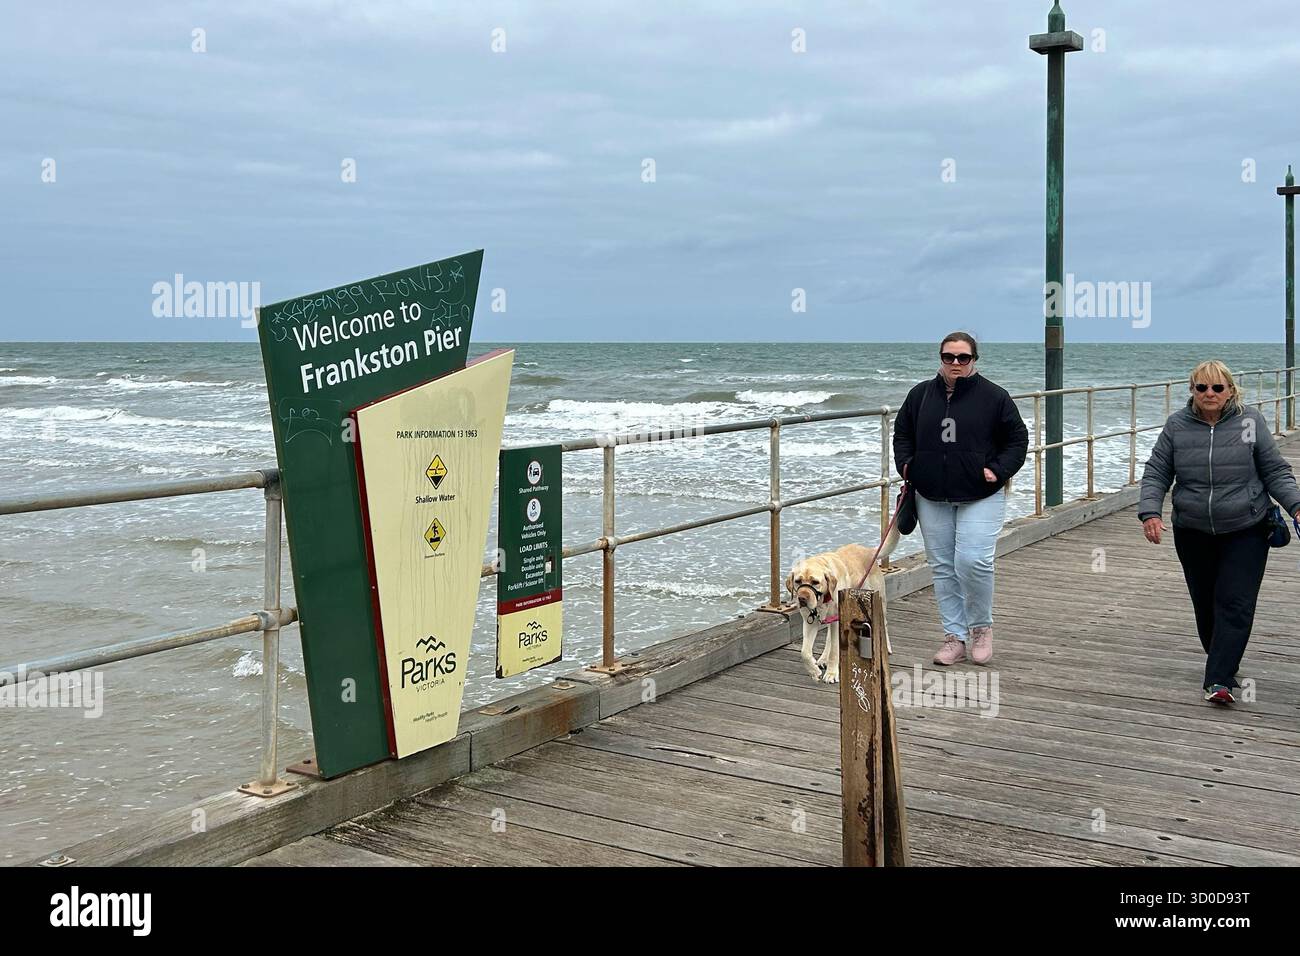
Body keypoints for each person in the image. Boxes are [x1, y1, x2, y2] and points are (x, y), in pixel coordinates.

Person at [1138, 359, 1300, 704]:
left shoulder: (1250, 422)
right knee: (1206, 604)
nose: (1209, 394)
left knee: (1235, 602)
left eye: (1217, 387)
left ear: (1230, 390)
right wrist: (1150, 512)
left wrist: (1296, 505)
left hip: (1246, 527)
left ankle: (1218, 680)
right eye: (1201, 387)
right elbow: (1156, 472)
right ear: (1192, 391)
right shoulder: (1177, 426)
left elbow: (1275, 471)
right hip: (1193, 529)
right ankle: (1225, 657)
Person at [893, 332, 1028, 666]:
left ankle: (981, 628)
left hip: (981, 494)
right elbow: (902, 434)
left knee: (972, 561)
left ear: (974, 360)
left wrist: (997, 470)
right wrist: (908, 465)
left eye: (963, 357)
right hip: (930, 494)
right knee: (942, 568)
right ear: (940, 357)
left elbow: (1017, 439)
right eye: (948, 356)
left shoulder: (995, 397)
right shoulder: (920, 395)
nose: (955, 363)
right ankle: (954, 636)